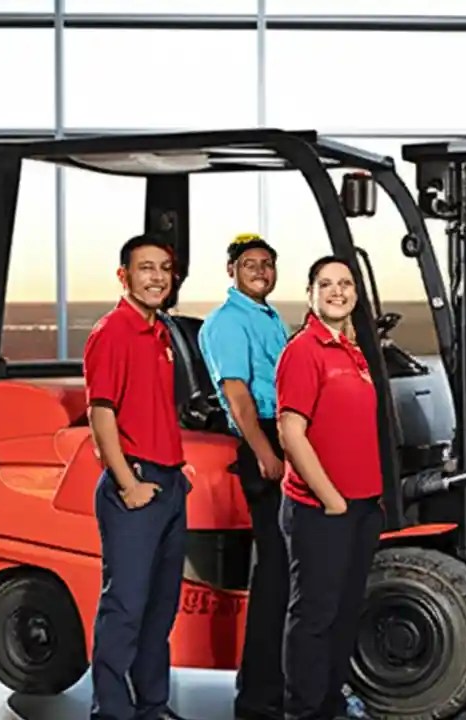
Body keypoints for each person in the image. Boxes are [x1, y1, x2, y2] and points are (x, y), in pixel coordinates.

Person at [83, 234, 190, 720]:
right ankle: (110, 711)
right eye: (146, 268)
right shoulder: (112, 332)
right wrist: (128, 483)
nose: (157, 277)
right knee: (125, 608)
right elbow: (100, 415)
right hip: (135, 490)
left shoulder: (160, 332)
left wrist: (175, 466)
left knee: (159, 610)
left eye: (164, 268)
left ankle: (153, 707)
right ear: (124, 276)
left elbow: (154, 409)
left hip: (168, 484)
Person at [275, 256, 383, 720]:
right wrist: (331, 497)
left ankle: (331, 702)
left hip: (360, 507)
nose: (337, 291)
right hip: (321, 508)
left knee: (343, 613)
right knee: (315, 617)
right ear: (311, 294)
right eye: (326, 284)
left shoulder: (351, 350)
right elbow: (290, 432)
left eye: (345, 283)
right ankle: (305, 710)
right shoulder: (304, 350)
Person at [198, 233, 289, 720]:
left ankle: (288, 684)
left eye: (268, 263)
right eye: (250, 263)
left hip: (283, 436)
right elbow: (237, 396)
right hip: (264, 440)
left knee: (292, 568)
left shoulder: (270, 318)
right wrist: (264, 454)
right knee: (275, 570)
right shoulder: (228, 323)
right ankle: (258, 699)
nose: (260, 270)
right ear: (231, 270)